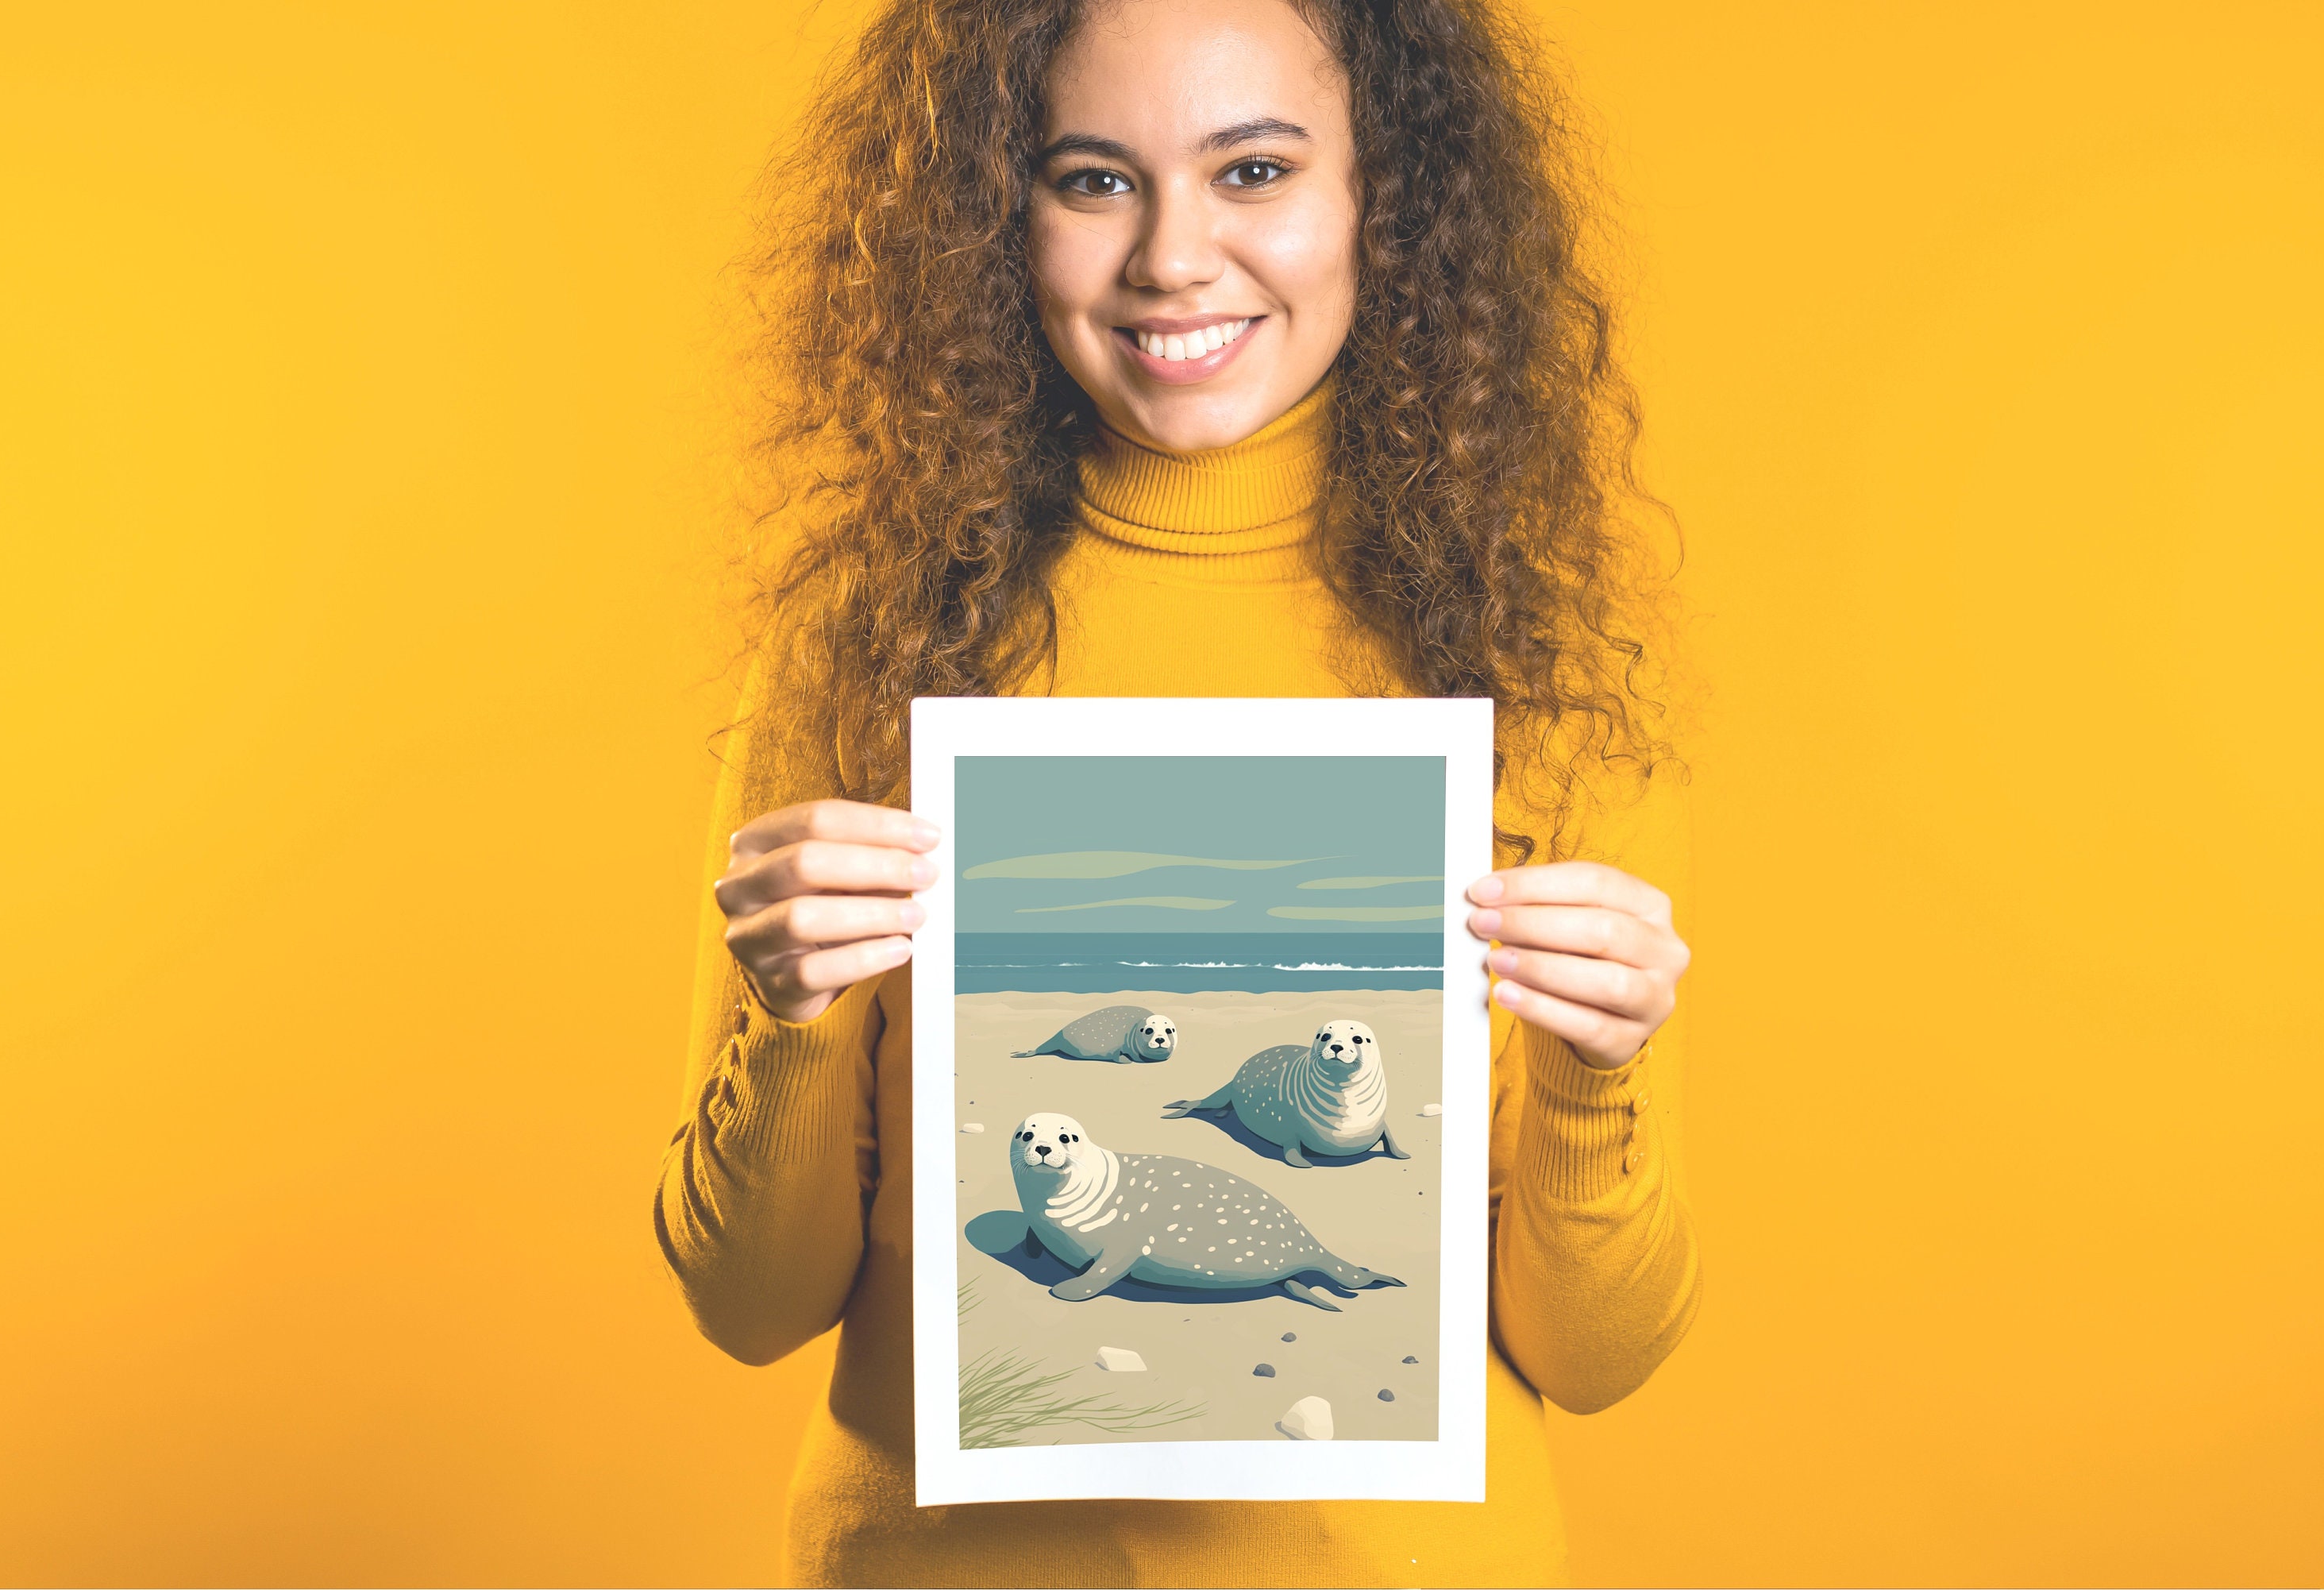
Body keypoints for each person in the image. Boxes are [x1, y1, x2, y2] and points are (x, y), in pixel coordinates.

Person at [656, 0, 1699, 1581]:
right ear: (996, 213)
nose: (1172, 257)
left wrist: (1596, 1073)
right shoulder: (868, 645)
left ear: (1386, 193)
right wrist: (789, 1016)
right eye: (1094, 180)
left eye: (1254, 170)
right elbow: (746, 1307)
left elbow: (1600, 1354)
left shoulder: (1540, 665)